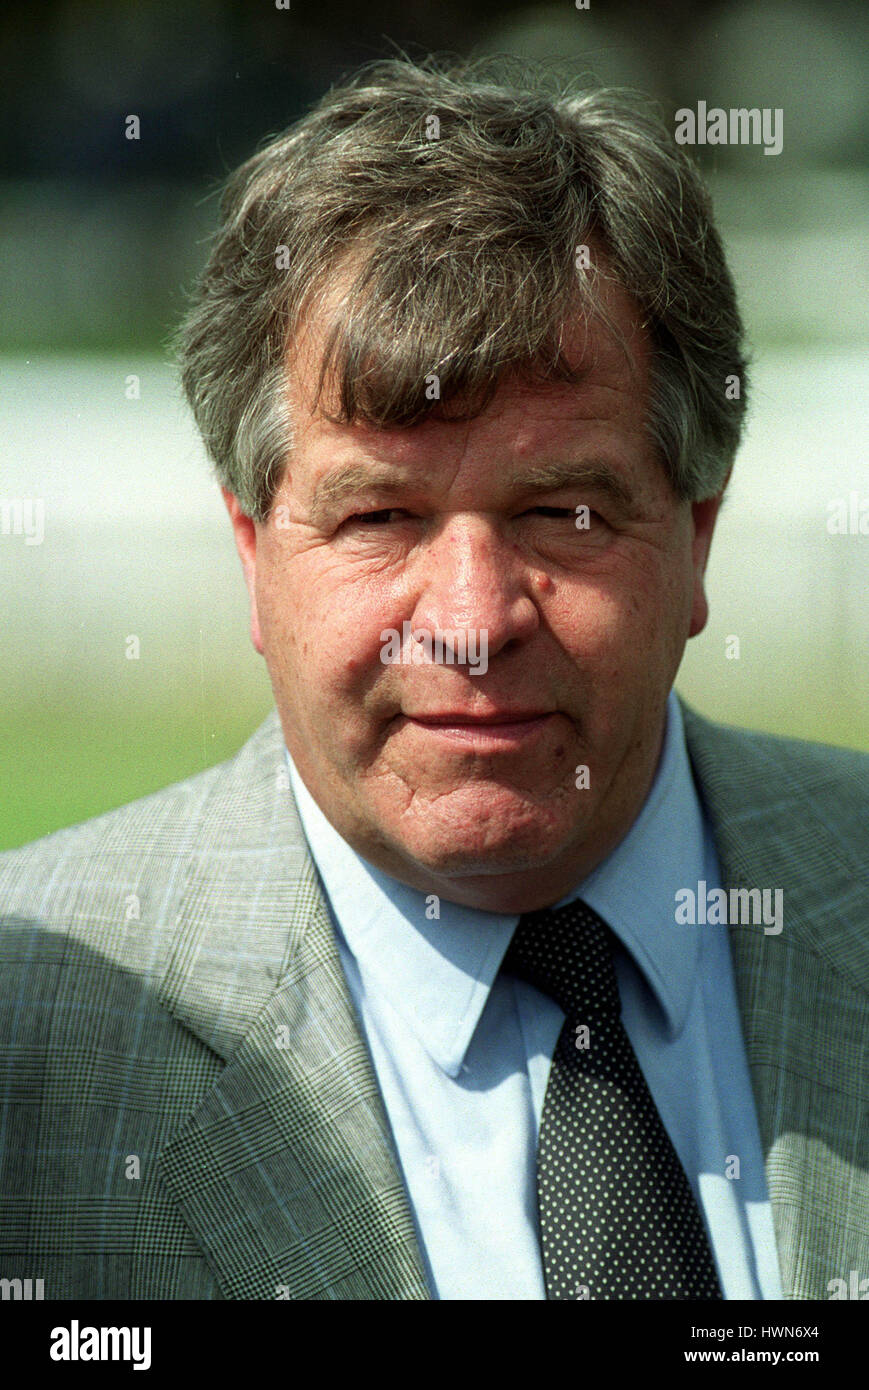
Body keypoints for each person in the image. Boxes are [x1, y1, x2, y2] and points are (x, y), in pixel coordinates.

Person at [0, 57, 865, 1302]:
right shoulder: (32, 1043)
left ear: (695, 542)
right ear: (252, 557)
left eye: (564, 510)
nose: (470, 622)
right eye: (380, 517)